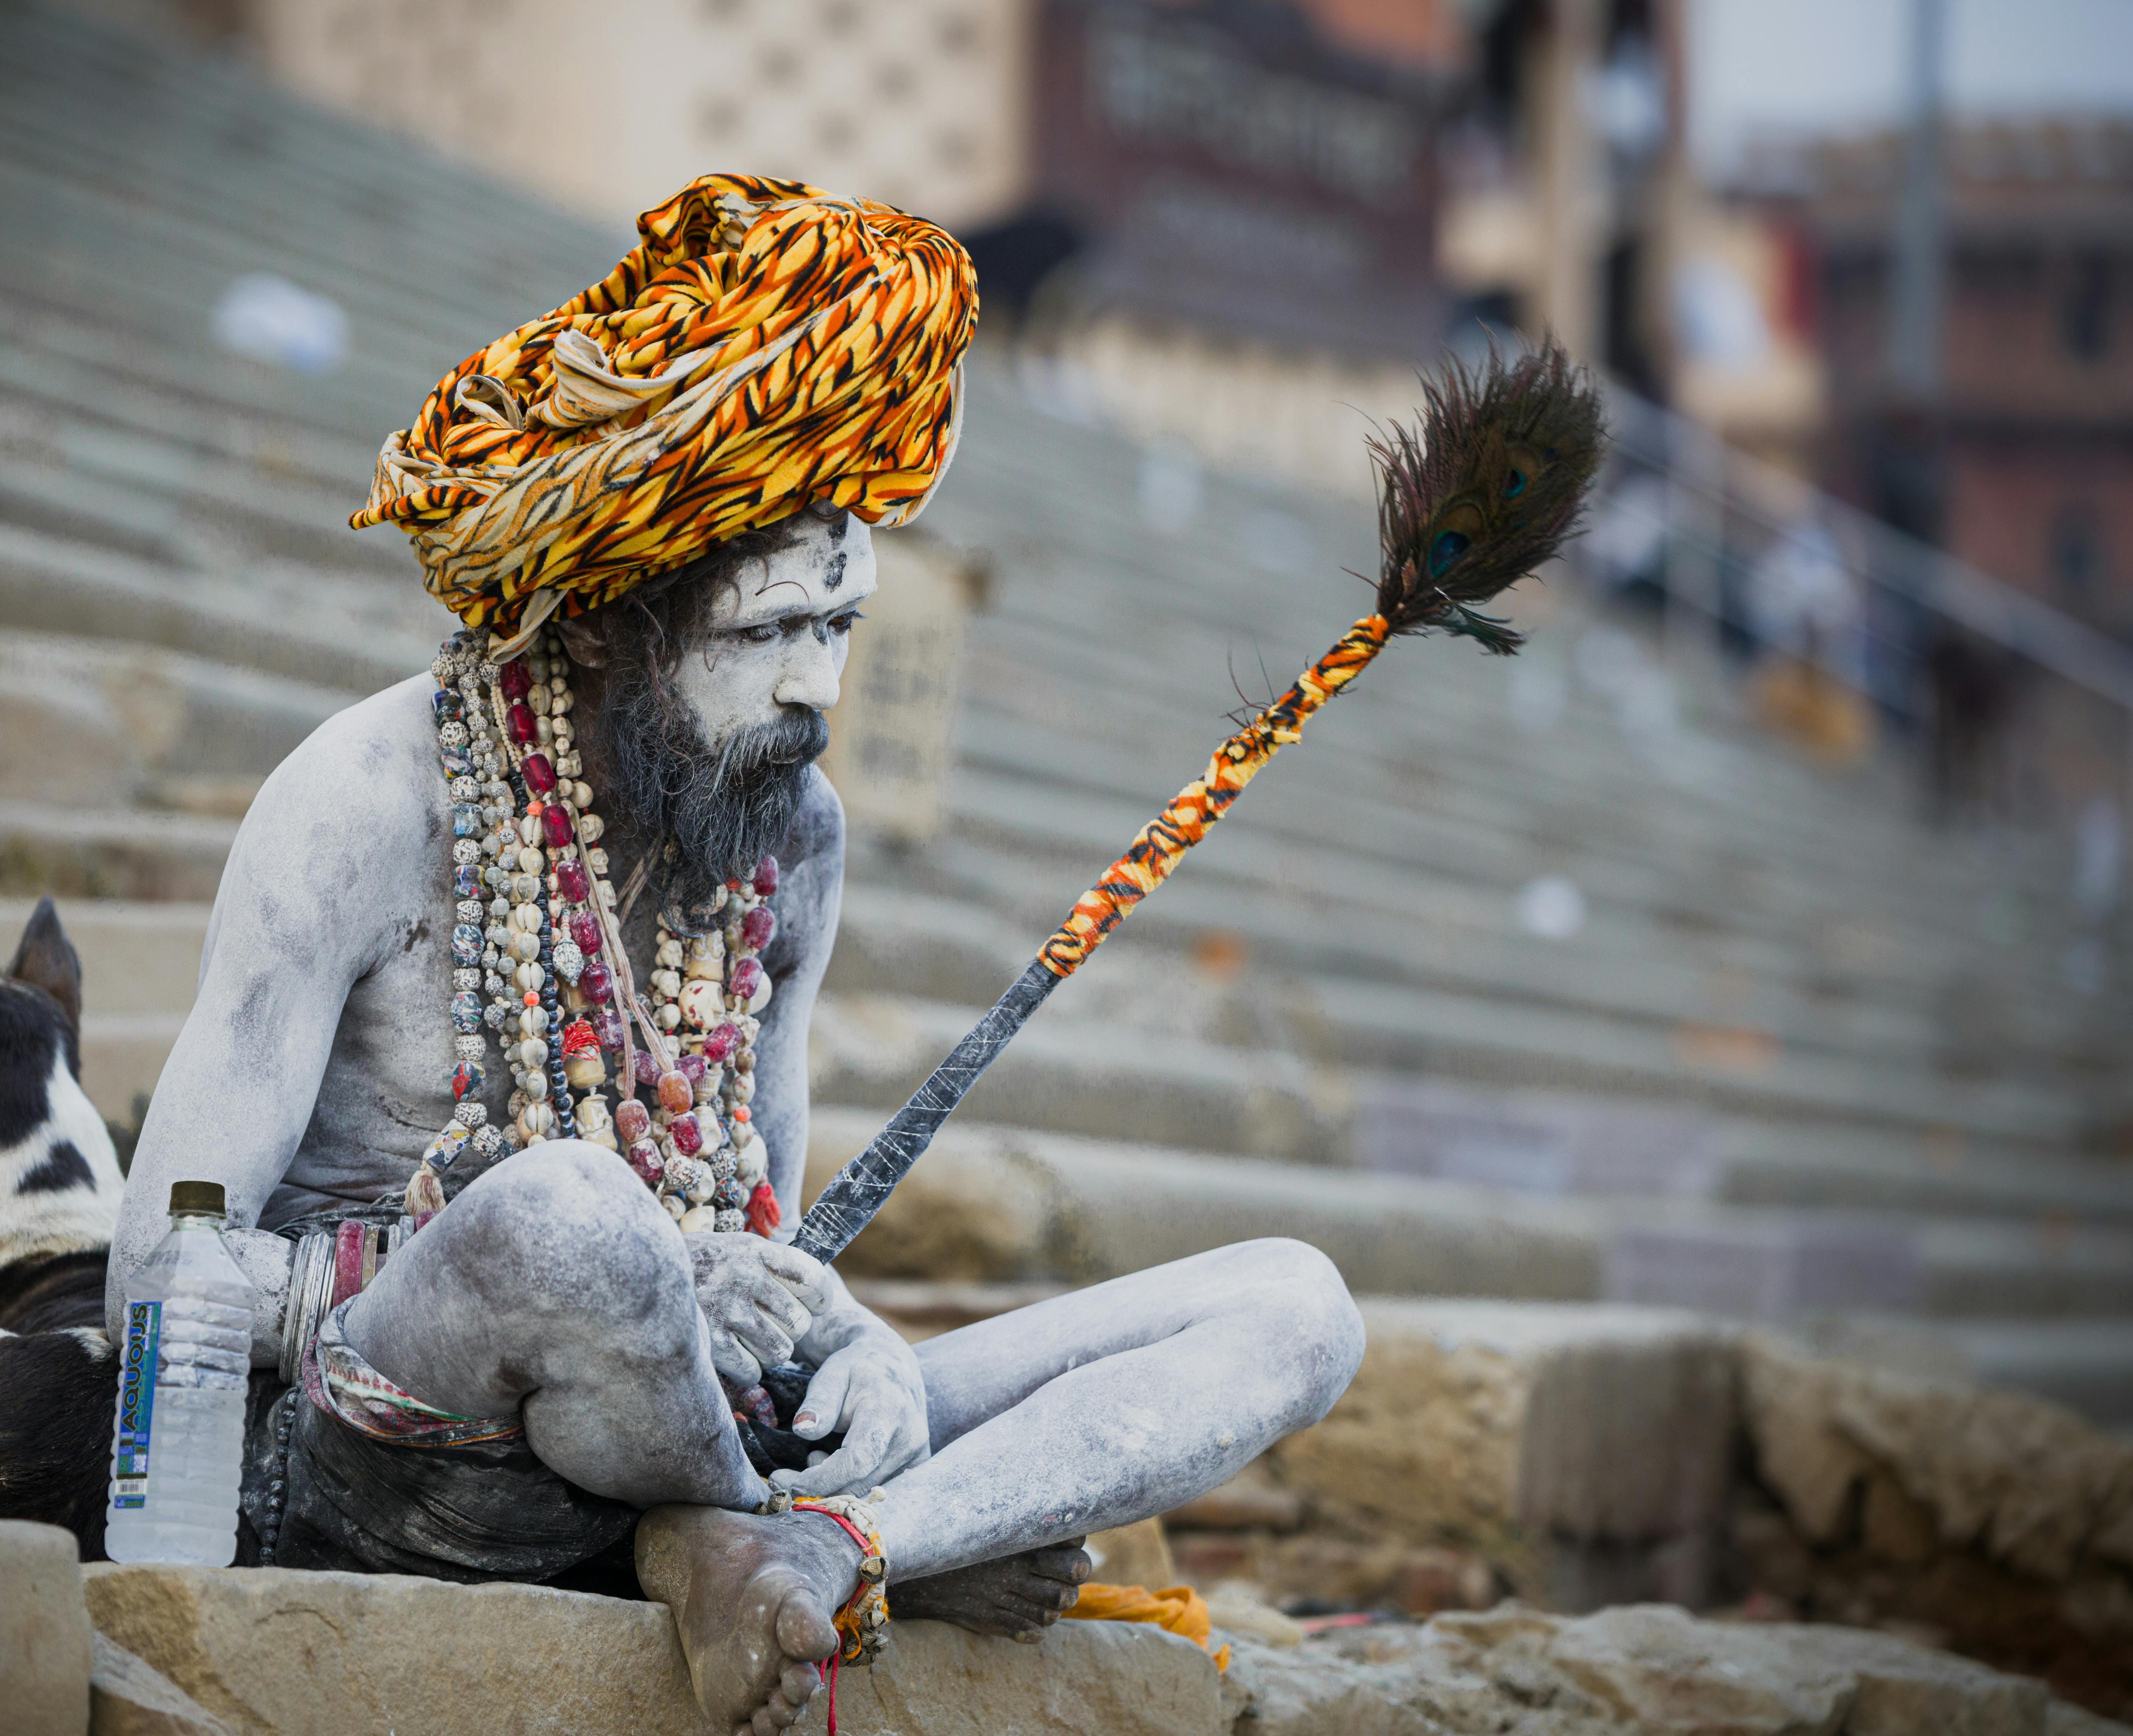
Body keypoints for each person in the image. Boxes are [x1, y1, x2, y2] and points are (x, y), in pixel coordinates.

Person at [114, 174, 1363, 1736]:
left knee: (1295, 1303)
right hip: (393, 1446)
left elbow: (769, 1242)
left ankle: (838, 1541)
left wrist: (847, 1347)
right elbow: (155, 1272)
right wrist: (643, 1266)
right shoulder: (365, 802)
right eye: (771, 634)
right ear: (607, 625)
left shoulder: (797, 834)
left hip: (696, 1426)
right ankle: (765, 1532)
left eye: (842, 630)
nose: (818, 691)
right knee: (574, 1217)